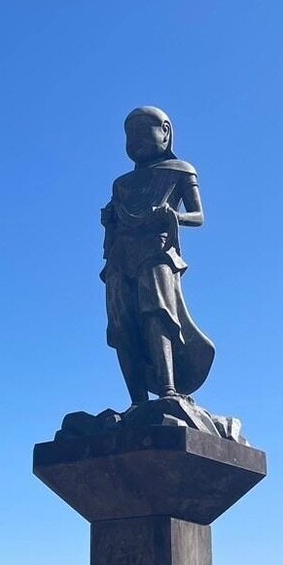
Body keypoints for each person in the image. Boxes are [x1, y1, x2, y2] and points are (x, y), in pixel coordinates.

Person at [100, 107, 215, 405]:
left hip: (156, 251)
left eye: (141, 131)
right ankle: (137, 401)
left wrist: (171, 216)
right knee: (121, 325)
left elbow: (198, 216)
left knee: (158, 313)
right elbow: (114, 222)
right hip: (119, 257)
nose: (135, 140)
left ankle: (168, 390)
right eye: (129, 135)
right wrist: (109, 220)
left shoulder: (180, 170)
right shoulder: (121, 183)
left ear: (165, 130)